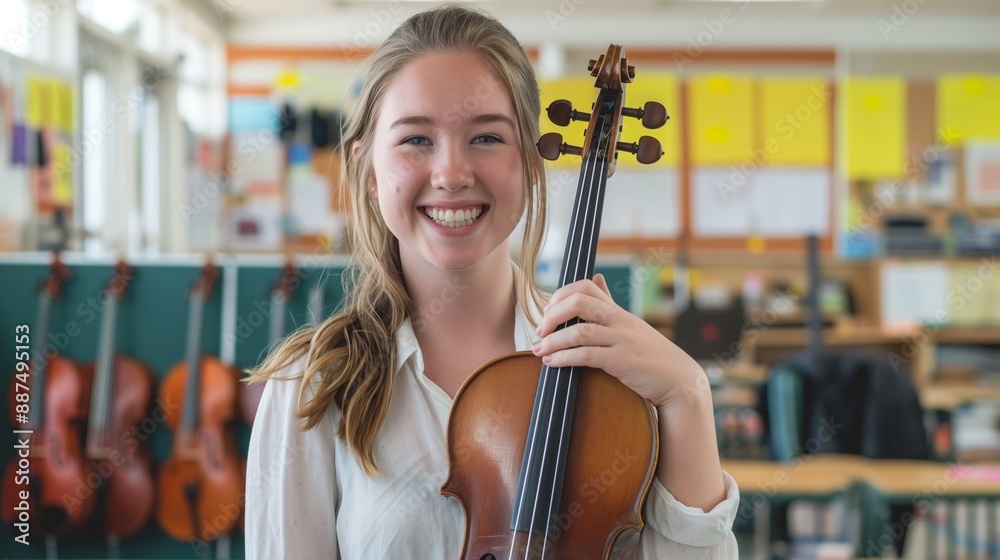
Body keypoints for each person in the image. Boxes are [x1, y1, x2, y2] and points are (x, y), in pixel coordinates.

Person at [245, 4, 740, 558]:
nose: (452, 174)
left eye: (486, 138)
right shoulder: (309, 388)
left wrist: (688, 395)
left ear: (531, 163)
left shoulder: (614, 383)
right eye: (415, 139)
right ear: (366, 170)